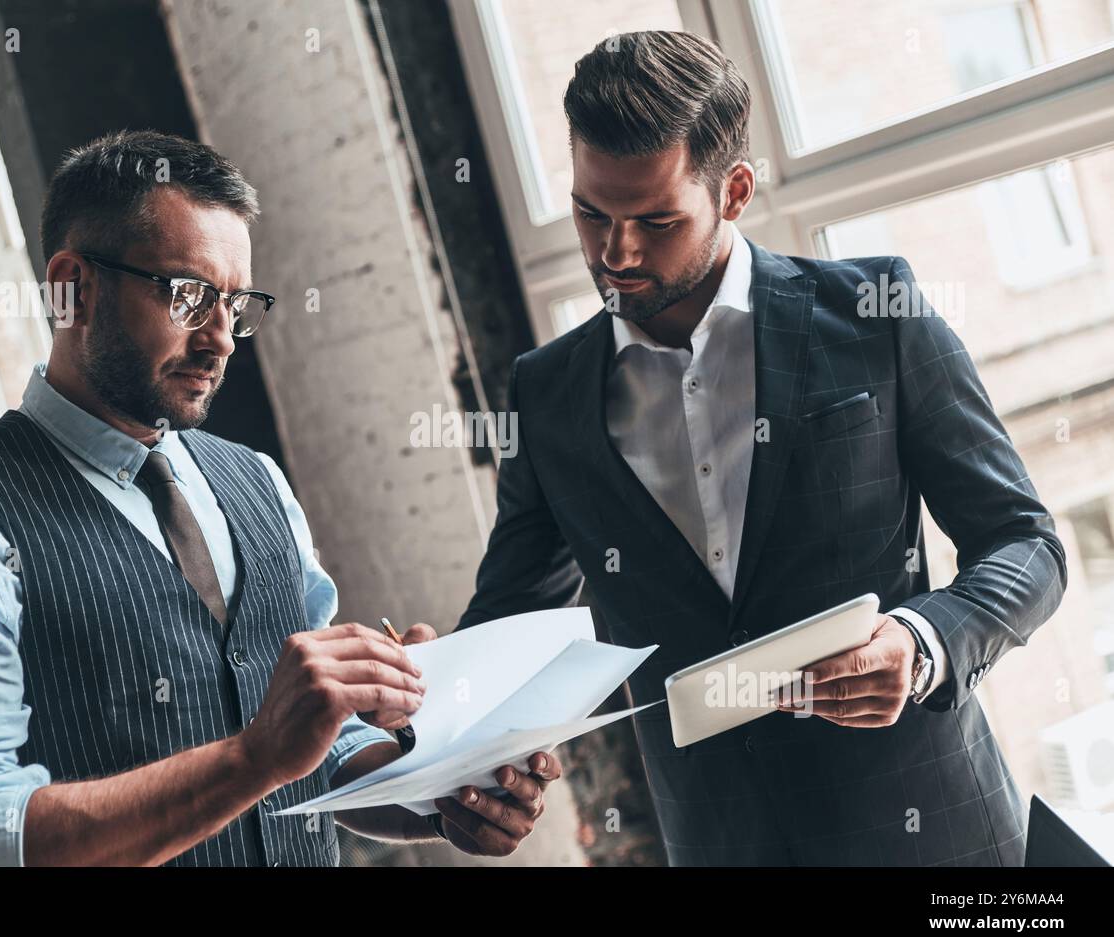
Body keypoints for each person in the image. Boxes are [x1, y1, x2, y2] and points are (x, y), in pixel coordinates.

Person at [0, 130, 559, 866]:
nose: (221, 339)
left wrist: (442, 793)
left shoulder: (257, 480)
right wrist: (253, 757)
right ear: (74, 286)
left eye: (236, 303)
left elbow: (325, 750)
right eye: (189, 295)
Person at [454, 31, 1065, 866]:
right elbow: (506, 630)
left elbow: (1027, 545)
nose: (614, 254)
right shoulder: (547, 394)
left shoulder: (874, 314)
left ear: (734, 190)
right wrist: (440, 722)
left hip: (937, 842)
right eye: (591, 213)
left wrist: (922, 644)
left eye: (655, 220)